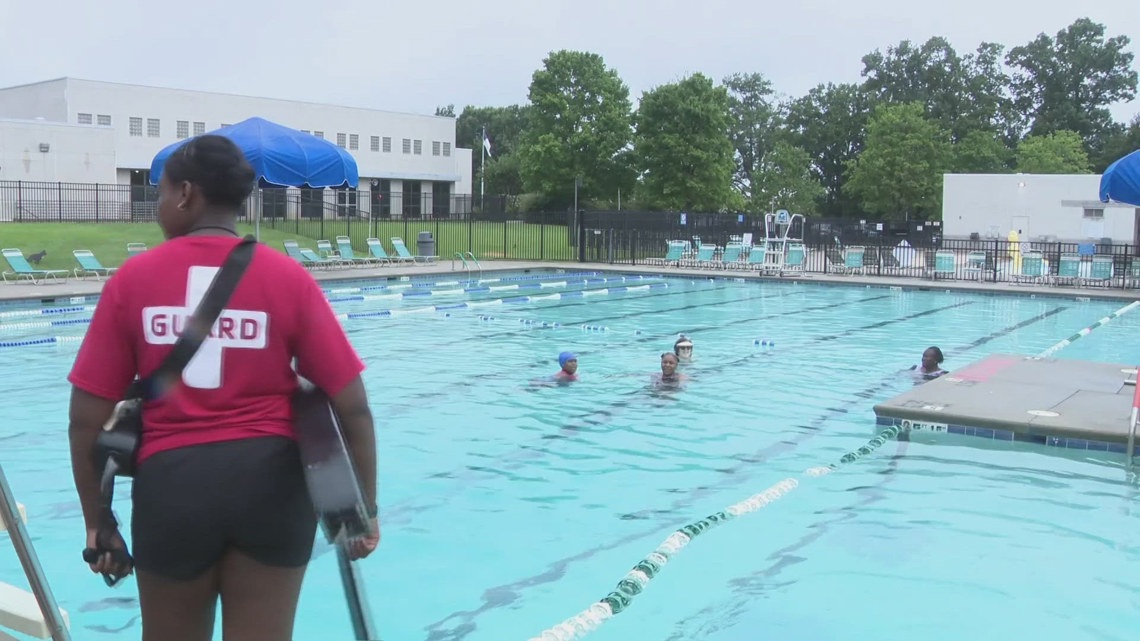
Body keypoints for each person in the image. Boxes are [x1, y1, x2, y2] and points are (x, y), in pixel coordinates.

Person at [66, 134, 380, 641]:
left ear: (186, 193)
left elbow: (85, 418)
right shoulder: (288, 278)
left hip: (174, 490)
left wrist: (96, 521)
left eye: (162, 194)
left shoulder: (133, 280)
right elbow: (354, 406)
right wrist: (364, 508)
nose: (159, 207)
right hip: (272, 489)